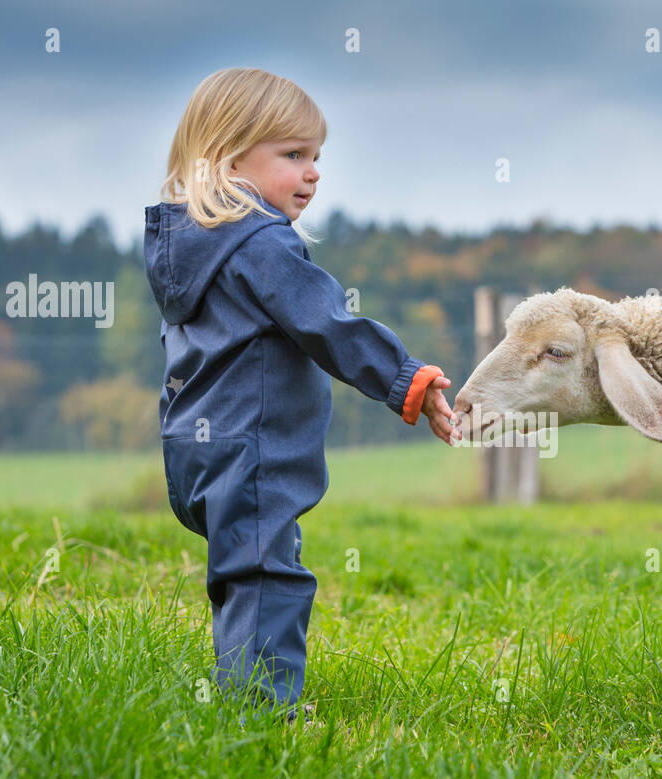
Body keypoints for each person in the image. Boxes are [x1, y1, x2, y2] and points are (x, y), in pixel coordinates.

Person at [143, 67, 460, 722]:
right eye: (292, 156)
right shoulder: (262, 245)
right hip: (250, 442)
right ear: (229, 158)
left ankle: (241, 694)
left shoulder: (190, 249)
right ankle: (260, 715)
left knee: (246, 571)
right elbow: (328, 324)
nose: (312, 173)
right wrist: (407, 377)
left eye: (316, 157)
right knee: (268, 578)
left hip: (197, 445)